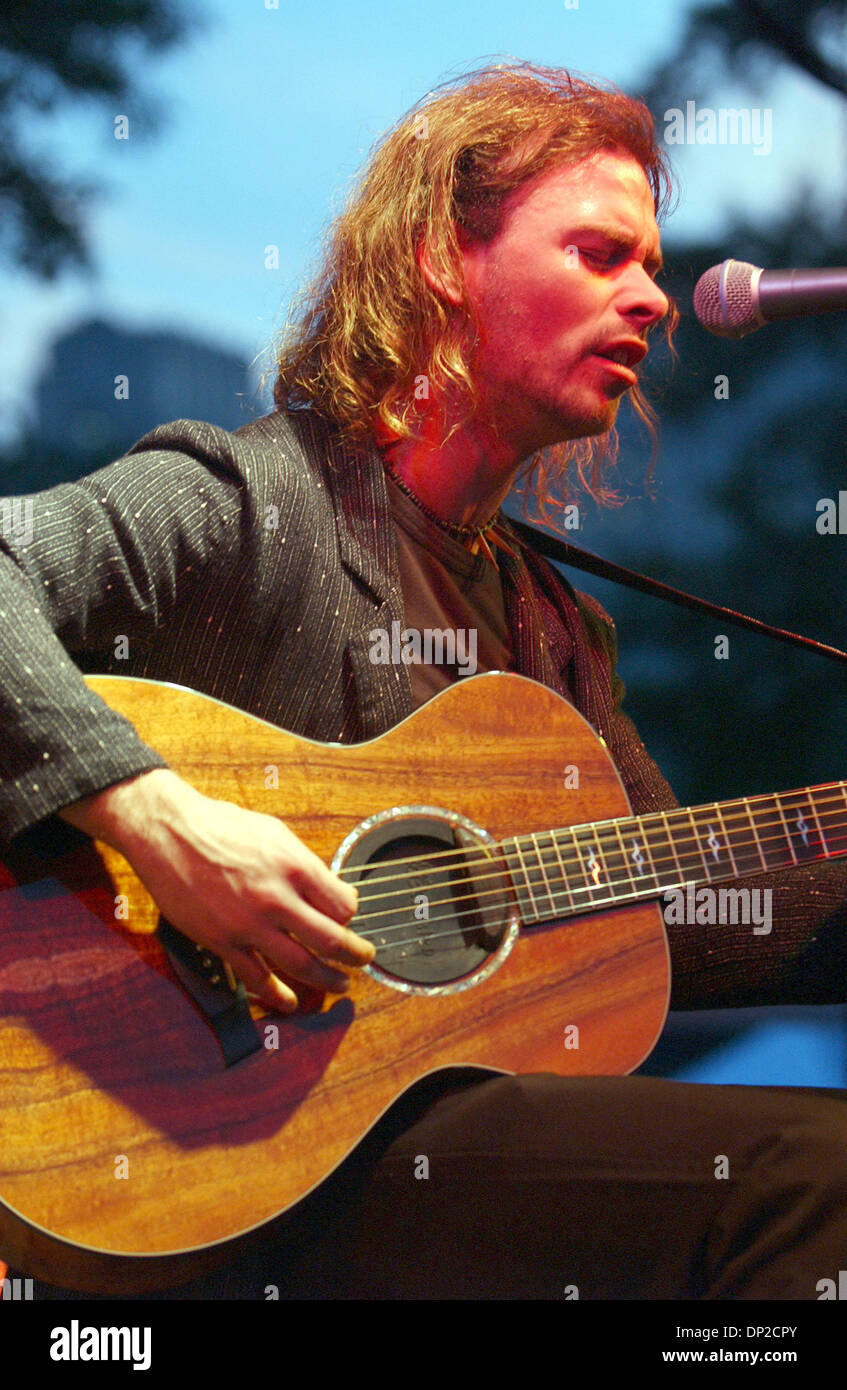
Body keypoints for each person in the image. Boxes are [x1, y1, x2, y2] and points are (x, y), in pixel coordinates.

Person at [1, 63, 846, 1301]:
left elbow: (666, 916)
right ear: (444, 260)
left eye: (653, 266)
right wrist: (156, 816)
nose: (655, 301)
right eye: (602, 254)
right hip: (205, 1145)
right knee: (813, 1169)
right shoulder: (247, 505)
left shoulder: (555, 632)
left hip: (434, 1155)